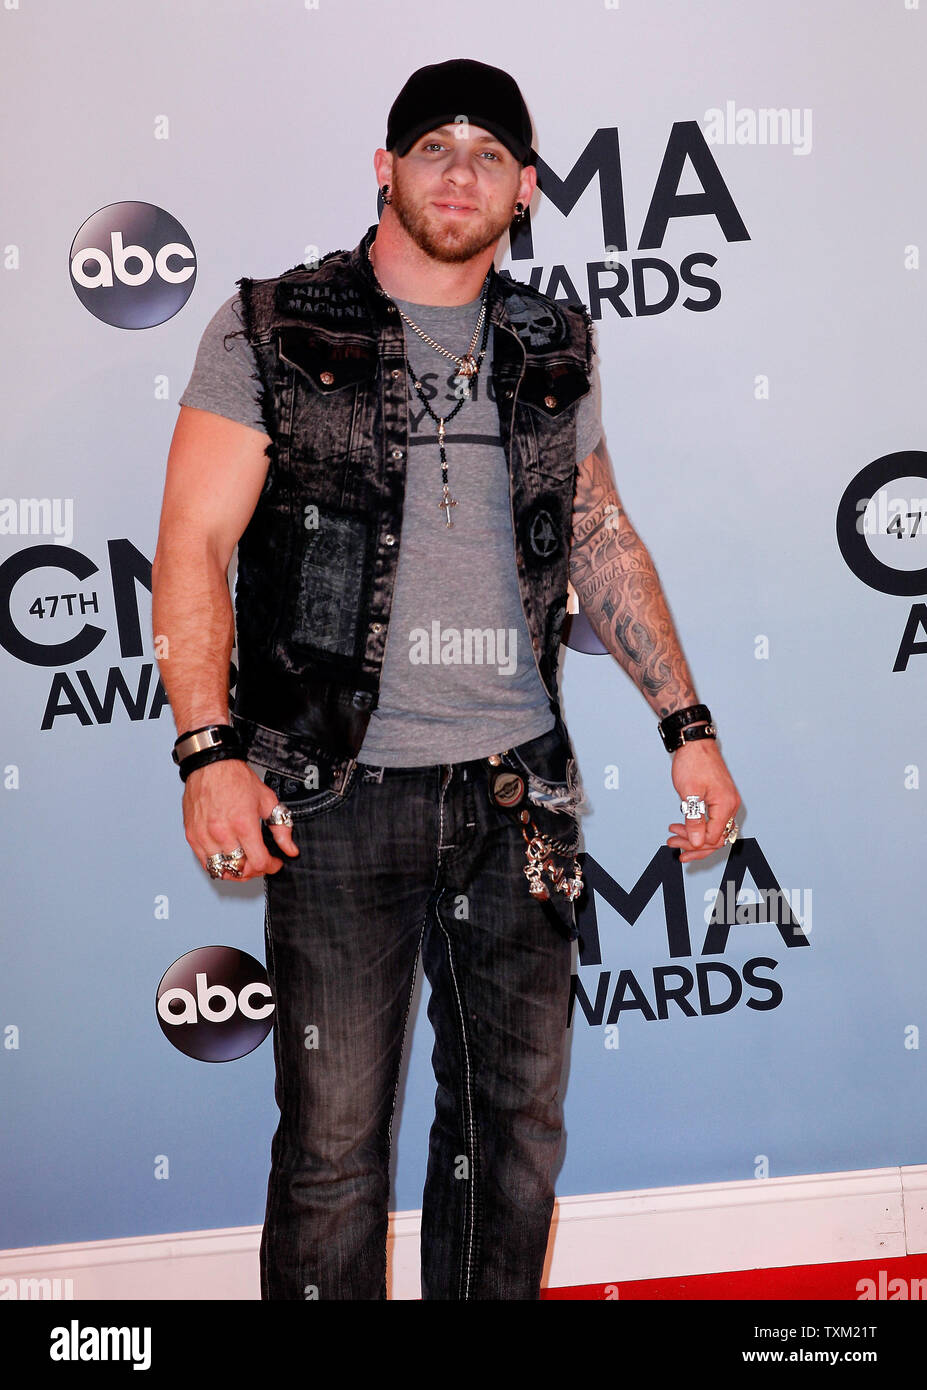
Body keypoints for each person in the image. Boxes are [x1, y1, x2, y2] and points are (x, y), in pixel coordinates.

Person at [152, 58, 740, 1301]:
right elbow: (193, 545)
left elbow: (599, 532)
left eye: (489, 155)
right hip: (329, 794)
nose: (459, 174)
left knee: (511, 1143)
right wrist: (208, 751)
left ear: (526, 188)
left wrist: (686, 723)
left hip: (518, 796)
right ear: (386, 168)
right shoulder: (272, 325)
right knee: (332, 1153)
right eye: (434, 148)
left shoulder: (550, 341)